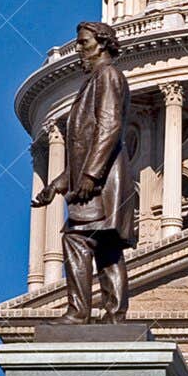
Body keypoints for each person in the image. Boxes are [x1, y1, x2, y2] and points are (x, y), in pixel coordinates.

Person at [32, 21, 135, 322]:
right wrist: (58, 183)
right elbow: (84, 143)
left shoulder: (108, 75)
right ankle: (115, 315)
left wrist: (90, 176)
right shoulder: (96, 80)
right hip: (100, 175)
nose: (78, 49)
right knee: (106, 248)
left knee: (77, 239)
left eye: (83, 42)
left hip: (102, 180)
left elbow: (109, 126)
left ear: (102, 43)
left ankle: (79, 312)